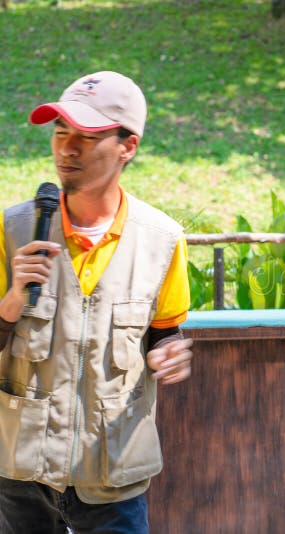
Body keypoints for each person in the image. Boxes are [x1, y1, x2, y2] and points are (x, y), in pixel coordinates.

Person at [0, 71, 193, 533]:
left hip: (115, 476)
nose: (67, 149)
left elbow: (165, 333)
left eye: (86, 137)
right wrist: (9, 304)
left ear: (127, 147)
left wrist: (169, 353)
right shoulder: (10, 231)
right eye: (61, 133)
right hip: (20, 474)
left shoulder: (163, 241)